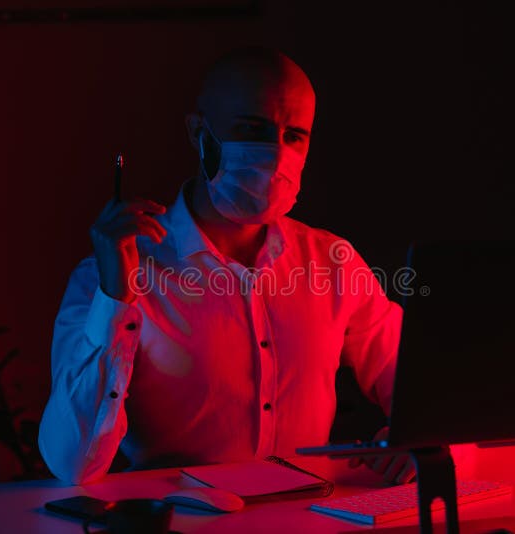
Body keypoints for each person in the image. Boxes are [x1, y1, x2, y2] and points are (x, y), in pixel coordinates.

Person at [38, 46, 414, 486]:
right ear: (199, 132)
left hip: (310, 520)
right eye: (252, 130)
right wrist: (114, 298)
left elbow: (426, 389)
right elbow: (71, 464)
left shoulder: (332, 263)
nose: (275, 154)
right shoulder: (120, 272)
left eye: (294, 135)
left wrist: (421, 439)